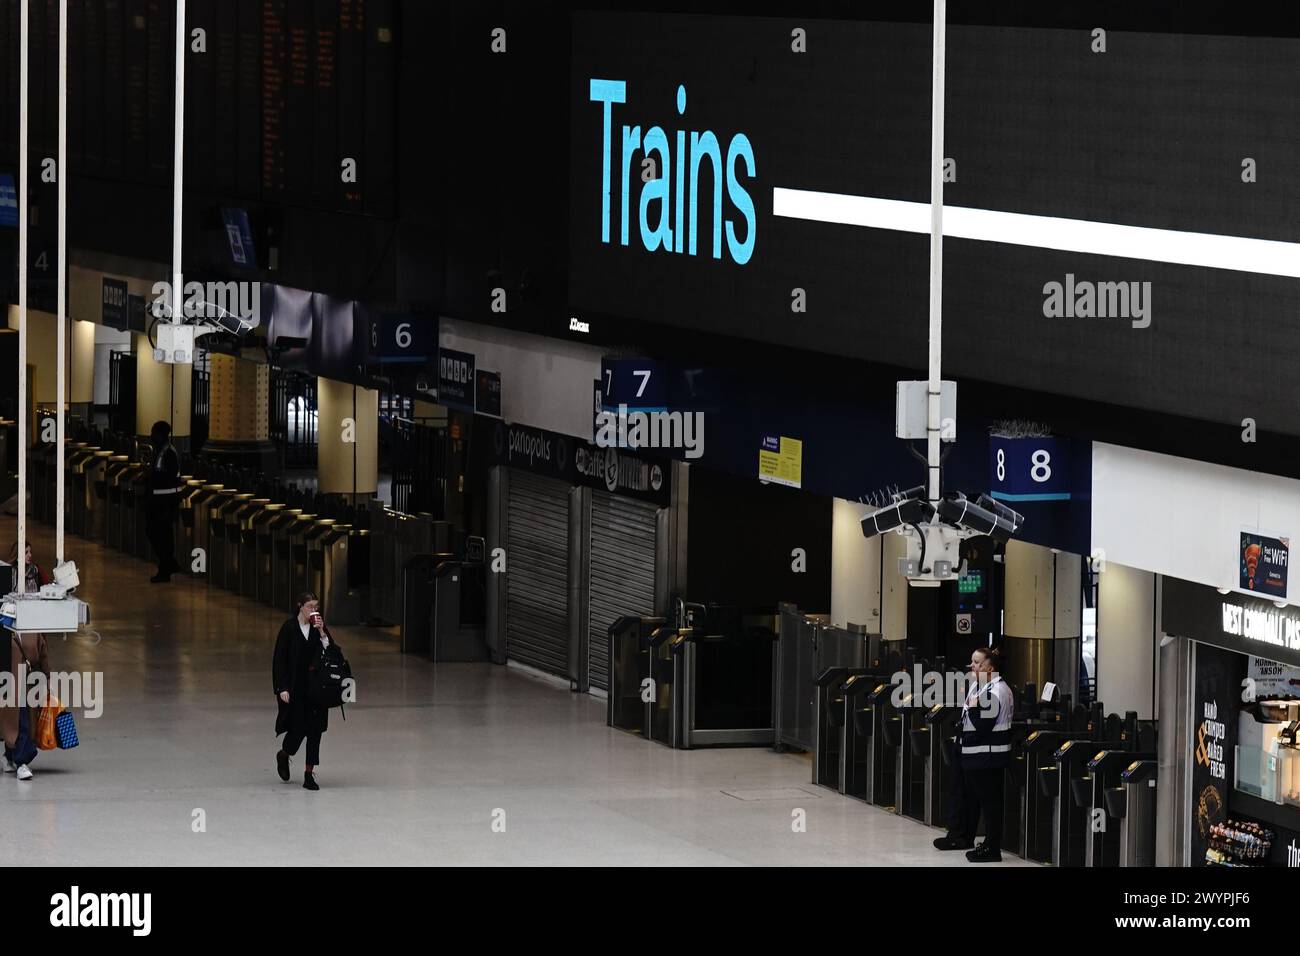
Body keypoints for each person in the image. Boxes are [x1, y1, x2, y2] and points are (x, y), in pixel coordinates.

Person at [935, 646, 1014, 863]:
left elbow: (983, 724)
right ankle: (965, 837)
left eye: (978, 663)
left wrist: (972, 706)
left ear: (990, 667)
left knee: (990, 804)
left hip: (988, 756)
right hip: (975, 754)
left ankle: (991, 847)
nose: (972, 666)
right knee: (972, 798)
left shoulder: (996, 691)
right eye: (972, 661)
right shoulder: (981, 687)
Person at [272, 592, 340, 791]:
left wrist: (322, 634)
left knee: (315, 731)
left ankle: (309, 773)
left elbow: (332, 652)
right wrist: (281, 687)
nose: (313, 610)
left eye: (316, 606)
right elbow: (279, 661)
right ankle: (284, 754)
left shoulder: (319, 627)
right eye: (310, 606)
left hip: (317, 688)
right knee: (297, 730)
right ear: (300, 606)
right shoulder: (289, 628)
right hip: (296, 688)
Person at [2, 541, 51, 782]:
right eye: (25, 551)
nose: (29, 556)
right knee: (17, 706)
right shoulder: (6, 576)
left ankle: (13, 755)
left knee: (24, 707)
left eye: (31, 551)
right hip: (14, 652)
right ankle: (19, 757)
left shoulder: (36, 574)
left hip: (29, 650)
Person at [143, 420, 182, 583]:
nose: (151, 436)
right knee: (154, 532)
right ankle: (169, 563)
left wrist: (153, 477)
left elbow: (170, 477)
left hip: (165, 502)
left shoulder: (168, 453)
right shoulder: (160, 451)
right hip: (157, 500)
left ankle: (166, 567)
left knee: (161, 535)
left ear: (160, 435)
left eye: (154, 433)